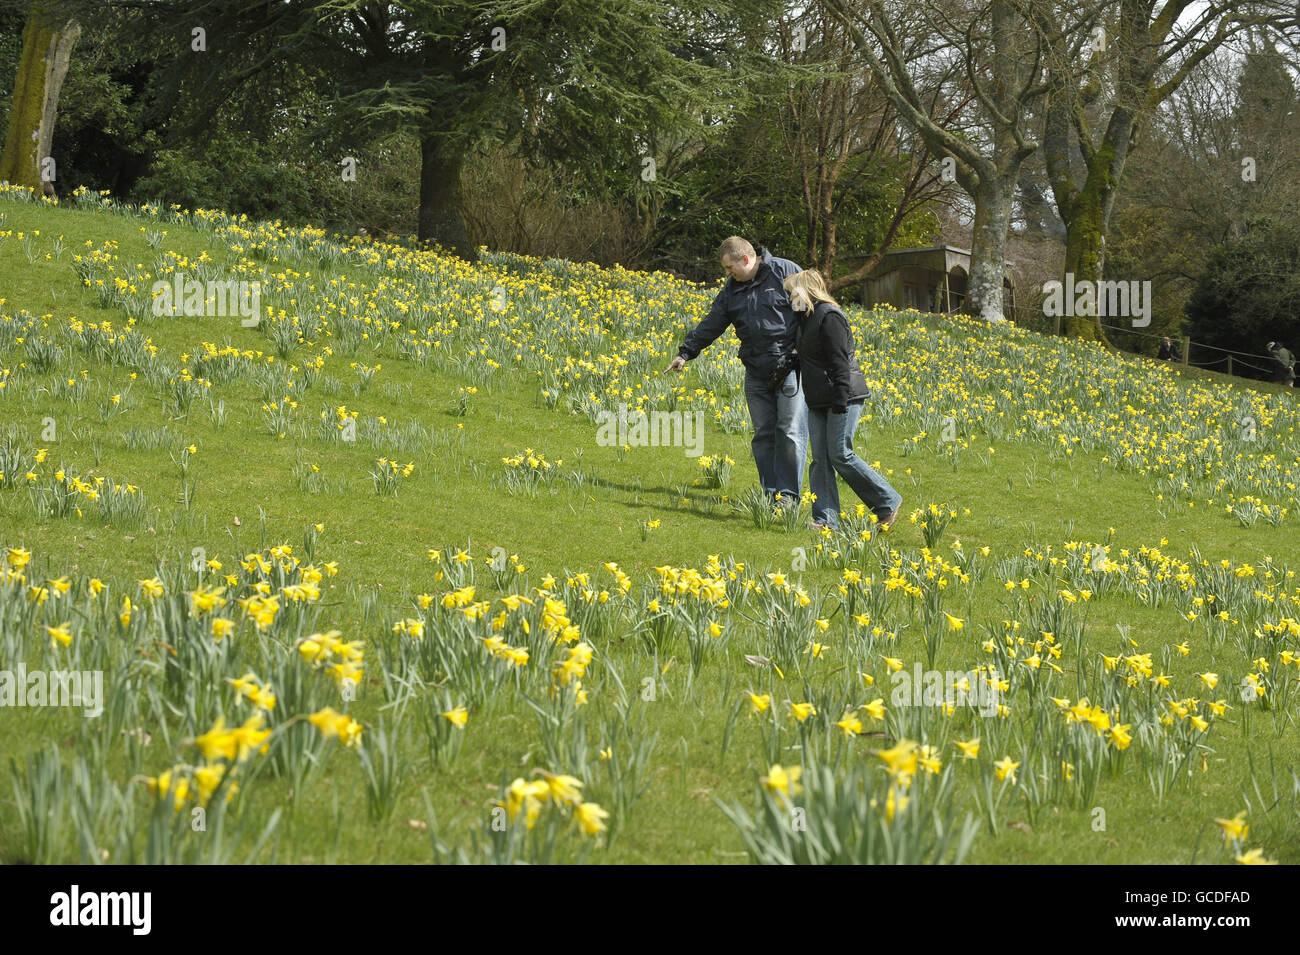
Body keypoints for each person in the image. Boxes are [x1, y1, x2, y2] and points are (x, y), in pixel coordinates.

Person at [666, 237, 808, 505]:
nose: (727, 274)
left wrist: (799, 353)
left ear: (746, 259)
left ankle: (788, 496)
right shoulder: (732, 290)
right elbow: (713, 323)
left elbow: (806, 313)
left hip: (790, 368)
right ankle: (770, 495)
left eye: (730, 268)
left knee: (790, 431)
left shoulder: (785, 271)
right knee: (764, 434)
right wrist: (686, 352)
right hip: (755, 371)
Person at [783, 268, 901, 532]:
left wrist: (839, 399)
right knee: (820, 460)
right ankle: (826, 520)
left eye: (792, 293)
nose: (789, 298)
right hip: (818, 399)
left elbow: (840, 362)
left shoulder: (830, 316)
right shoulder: (806, 318)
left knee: (840, 455)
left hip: (842, 397)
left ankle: (887, 501)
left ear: (805, 291)